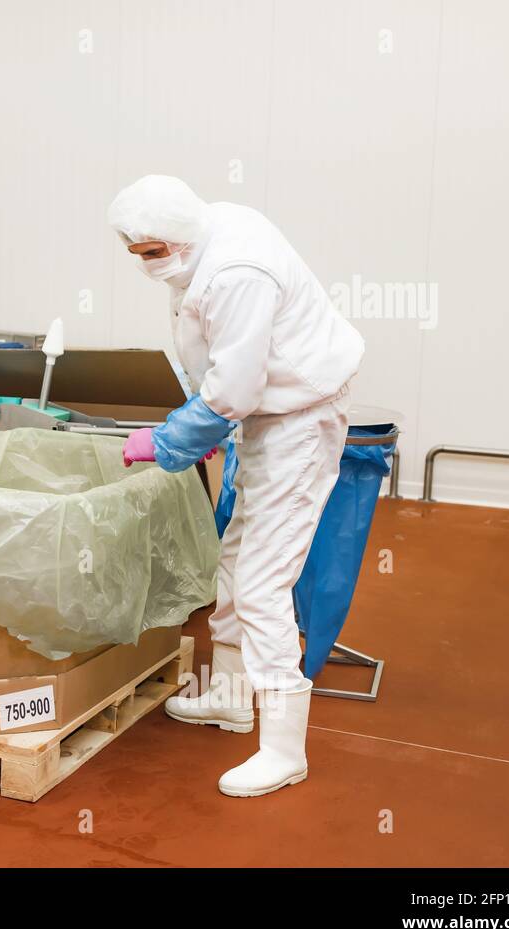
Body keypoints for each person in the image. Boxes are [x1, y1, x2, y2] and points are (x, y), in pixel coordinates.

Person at [107, 174, 364, 797]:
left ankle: (283, 748)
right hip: (267, 415)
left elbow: (236, 387)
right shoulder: (203, 233)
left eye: (148, 254)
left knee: (262, 579)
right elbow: (226, 370)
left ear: (174, 240)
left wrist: (168, 440)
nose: (142, 265)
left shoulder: (237, 269)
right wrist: (207, 418)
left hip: (298, 419)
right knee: (236, 555)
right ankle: (228, 697)